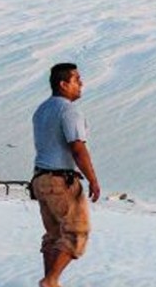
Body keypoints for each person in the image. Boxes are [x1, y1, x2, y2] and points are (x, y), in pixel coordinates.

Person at [31, 62, 101, 287]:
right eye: (76, 80)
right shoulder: (69, 110)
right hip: (61, 180)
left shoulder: (42, 109)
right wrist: (93, 180)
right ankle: (51, 280)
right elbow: (78, 148)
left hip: (41, 179)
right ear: (63, 84)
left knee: (54, 235)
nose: (81, 84)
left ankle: (50, 282)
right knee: (76, 233)